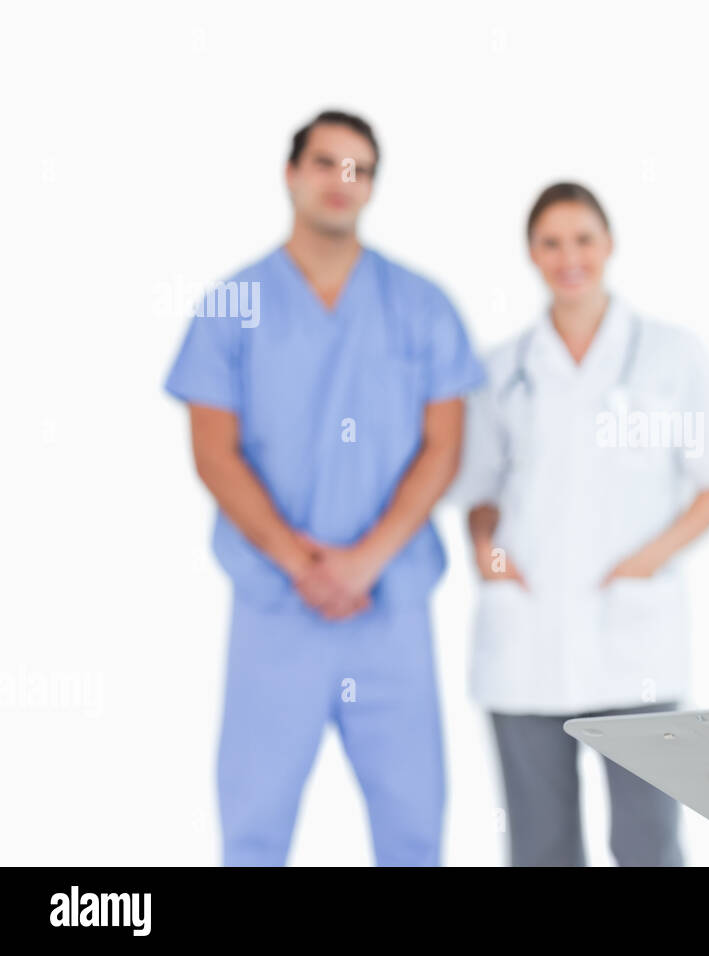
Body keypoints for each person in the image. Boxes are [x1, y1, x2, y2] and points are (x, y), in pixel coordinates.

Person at [164, 110, 484, 865]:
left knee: (413, 830)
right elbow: (214, 454)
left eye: (360, 169)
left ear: (372, 187)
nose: (342, 182)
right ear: (291, 173)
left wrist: (364, 561)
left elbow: (444, 449)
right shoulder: (232, 305)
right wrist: (303, 566)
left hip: (389, 605)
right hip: (278, 609)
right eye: (326, 162)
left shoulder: (422, 305)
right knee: (253, 830)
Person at [448, 183, 709, 866]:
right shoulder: (503, 370)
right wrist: (489, 557)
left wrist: (642, 563)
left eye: (583, 239)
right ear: (532, 254)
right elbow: (479, 494)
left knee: (648, 844)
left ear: (609, 245)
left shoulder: (671, 355)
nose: (569, 257)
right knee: (539, 844)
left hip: (633, 637)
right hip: (526, 638)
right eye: (551, 243)